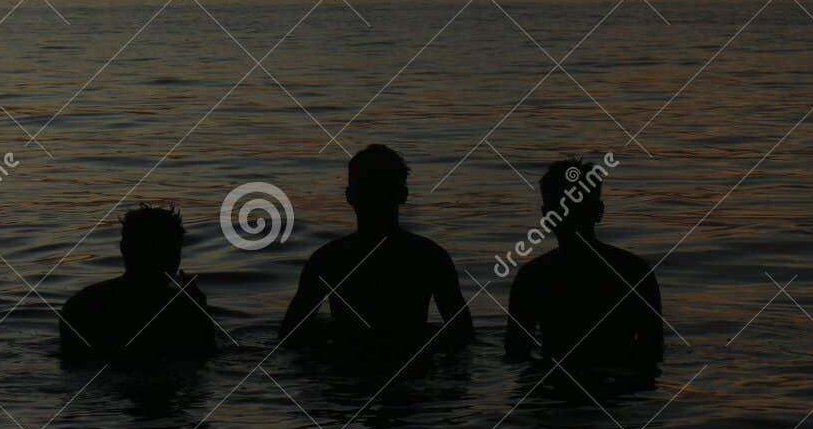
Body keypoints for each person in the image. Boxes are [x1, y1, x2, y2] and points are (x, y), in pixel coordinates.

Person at [280, 144, 473, 355]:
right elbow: (463, 336)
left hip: (346, 370)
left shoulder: (328, 259)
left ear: (350, 197)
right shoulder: (430, 256)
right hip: (412, 370)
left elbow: (289, 337)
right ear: (403, 195)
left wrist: (326, 330)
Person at [504, 158, 663, 368]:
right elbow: (652, 352)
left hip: (553, 390)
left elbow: (516, 353)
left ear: (547, 217)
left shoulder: (533, 277)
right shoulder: (634, 272)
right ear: (598, 211)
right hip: (619, 390)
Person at [59, 205, 216, 363]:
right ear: (176, 254)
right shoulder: (183, 311)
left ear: (123, 249)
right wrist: (201, 315)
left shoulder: (80, 304)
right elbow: (206, 357)